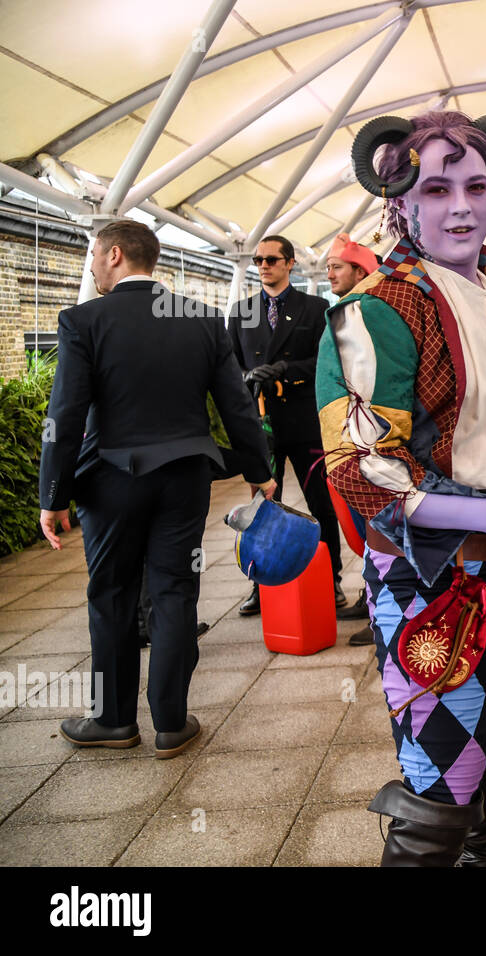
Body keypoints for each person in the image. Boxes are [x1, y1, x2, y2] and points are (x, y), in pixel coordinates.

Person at [317, 109, 486, 866]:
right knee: (440, 774)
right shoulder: (376, 311)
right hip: (433, 575)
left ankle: (482, 859)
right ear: (401, 202)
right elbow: (360, 467)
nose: (460, 205)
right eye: (436, 188)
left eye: (477, 185)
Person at [39, 219, 275, 758]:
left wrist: (52, 496)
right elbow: (236, 404)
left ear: (115, 254)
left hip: (109, 481)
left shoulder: (82, 321)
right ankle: (171, 722)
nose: (93, 266)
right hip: (185, 479)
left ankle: (114, 721)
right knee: (174, 592)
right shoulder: (202, 320)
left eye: (95, 255)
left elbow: (66, 415)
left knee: (112, 596)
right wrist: (259, 472)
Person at [227, 234, 346, 616]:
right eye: (259, 260)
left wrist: (285, 370)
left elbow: (328, 364)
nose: (264, 265)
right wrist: (247, 376)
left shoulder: (315, 308)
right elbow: (228, 367)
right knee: (262, 506)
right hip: (263, 426)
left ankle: (332, 580)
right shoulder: (241, 311)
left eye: (272, 260)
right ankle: (261, 584)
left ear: (290, 263)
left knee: (321, 504)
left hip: (305, 423)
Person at [323, 232, 382, 635]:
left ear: (360, 270)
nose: (328, 274)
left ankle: (382, 610)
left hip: (369, 443)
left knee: (376, 529)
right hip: (348, 442)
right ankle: (372, 596)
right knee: (360, 528)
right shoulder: (348, 308)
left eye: (336, 266)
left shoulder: (368, 311)